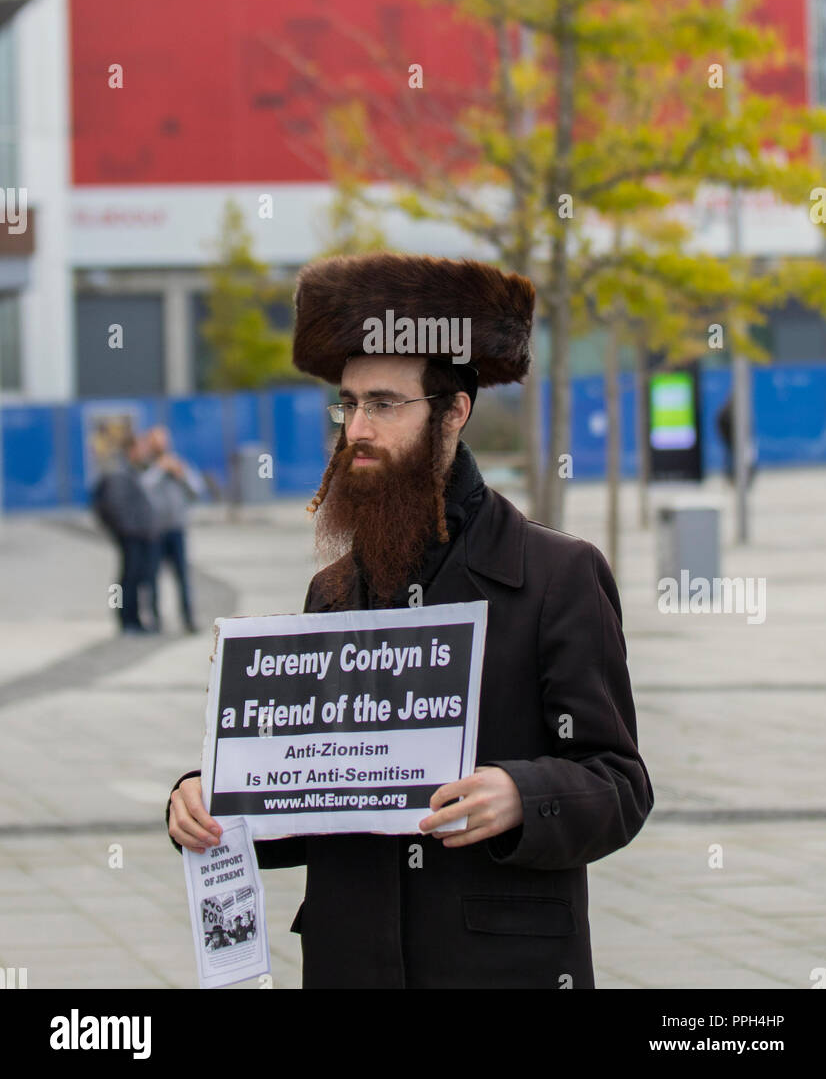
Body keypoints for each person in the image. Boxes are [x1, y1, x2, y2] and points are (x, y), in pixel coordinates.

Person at [166, 252, 653, 989]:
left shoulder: (557, 575)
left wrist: (523, 794)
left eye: (385, 404)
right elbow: (313, 795)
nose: (357, 428)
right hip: (349, 964)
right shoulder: (332, 592)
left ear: (453, 411)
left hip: (499, 969)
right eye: (349, 404)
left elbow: (620, 785)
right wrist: (210, 801)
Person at [91, 433, 158, 636]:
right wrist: (129, 530)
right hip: (130, 536)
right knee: (127, 579)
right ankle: (125, 620)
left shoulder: (133, 471)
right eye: (141, 448)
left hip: (137, 534)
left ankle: (134, 619)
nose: (144, 452)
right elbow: (115, 506)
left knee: (135, 578)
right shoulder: (119, 473)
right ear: (131, 450)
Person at [140, 425, 204, 633]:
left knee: (183, 577)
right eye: (156, 441)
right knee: (152, 577)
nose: (160, 445)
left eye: (163, 440)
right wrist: (160, 469)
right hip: (155, 531)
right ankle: (154, 620)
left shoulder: (178, 464)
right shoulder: (145, 466)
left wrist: (181, 474)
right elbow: (143, 488)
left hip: (176, 529)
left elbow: (197, 490)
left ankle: (188, 618)